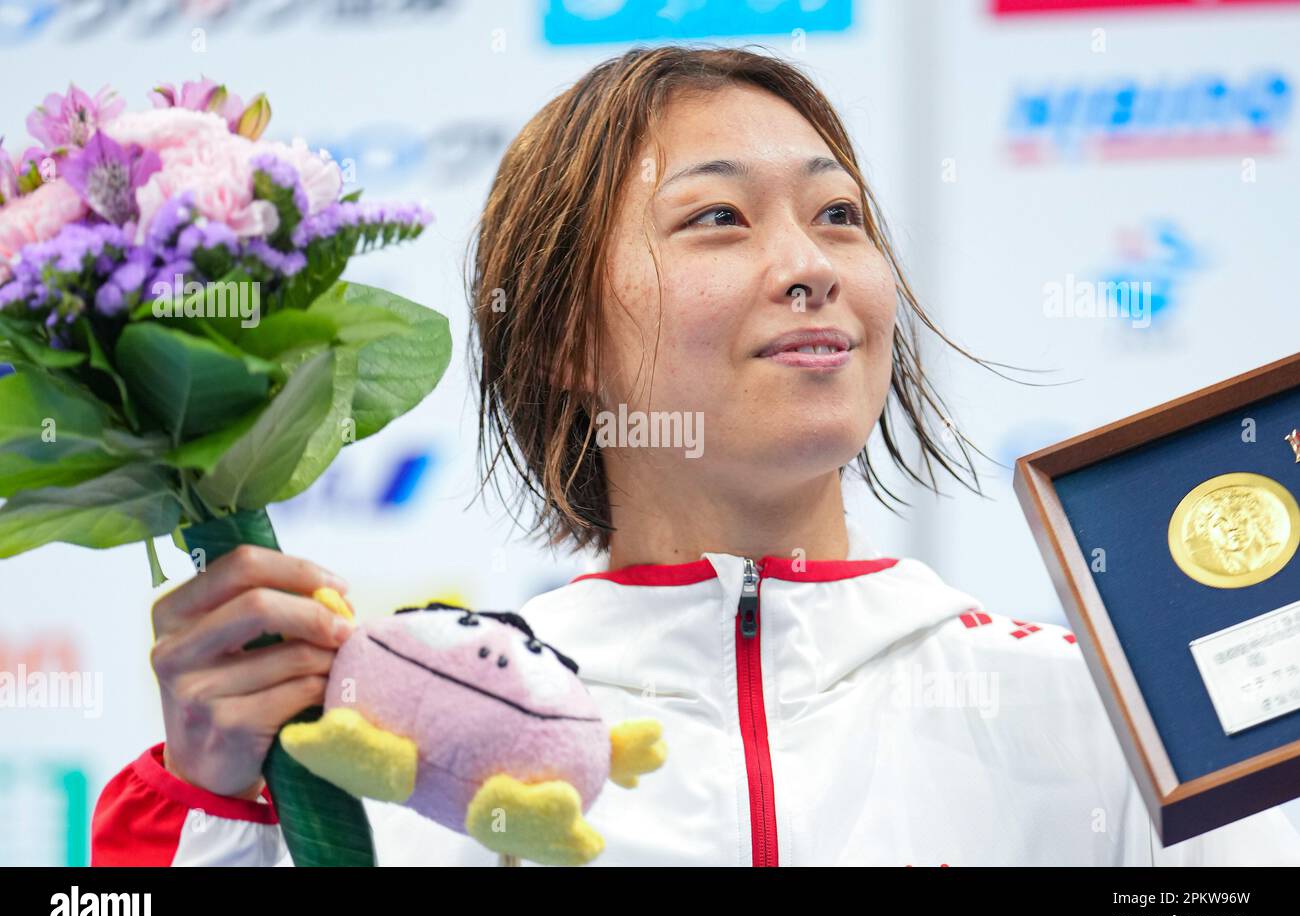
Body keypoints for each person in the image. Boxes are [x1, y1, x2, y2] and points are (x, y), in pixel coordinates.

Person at [90, 45, 1300, 866]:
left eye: (839, 215)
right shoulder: (382, 753)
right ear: (563, 329)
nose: (810, 262)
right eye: (717, 217)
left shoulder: (1111, 717)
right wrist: (210, 805)